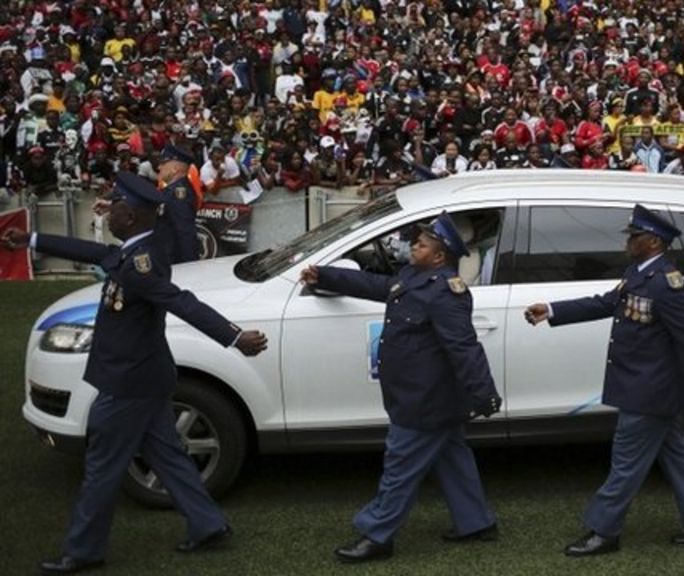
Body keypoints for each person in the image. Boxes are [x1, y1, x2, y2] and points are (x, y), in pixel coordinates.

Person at [1, 172, 268, 575]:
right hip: (146, 377)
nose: (108, 209)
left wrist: (235, 337)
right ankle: (208, 525)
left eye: (116, 204)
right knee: (168, 457)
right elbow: (93, 252)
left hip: (127, 384)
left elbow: (183, 302)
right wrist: (33, 240)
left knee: (102, 468)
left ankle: (84, 549)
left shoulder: (140, 265)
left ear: (134, 215)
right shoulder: (136, 249)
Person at [523, 204, 684, 557]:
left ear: (653, 242)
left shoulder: (667, 285)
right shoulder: (640, 273)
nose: (628, 242)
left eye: (634, 237)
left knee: (626, 463)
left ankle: (604, 530)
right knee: (678, 456)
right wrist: (553, 310)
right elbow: (608, 302)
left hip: (649, 392)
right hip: (650, 388)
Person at [300, 212, 502, 563]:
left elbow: (464, 347)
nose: (413, 246)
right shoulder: (414, 276)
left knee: (400, 463)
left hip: (425, 398)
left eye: (421, 245)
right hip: (415, 392)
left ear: (439, 257)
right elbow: (378, 287)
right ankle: (476, 522)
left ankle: (377, 533)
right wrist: (326, 276)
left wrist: (484, 394)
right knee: (452, 457)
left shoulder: (446, 292)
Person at [156, 145, 201, 263]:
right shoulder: (172, 190)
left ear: (175, 168)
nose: (159, 167)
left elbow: (185, 232)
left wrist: (190, 266)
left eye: (163, 163)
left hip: (174, 261)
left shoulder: (178, 193)